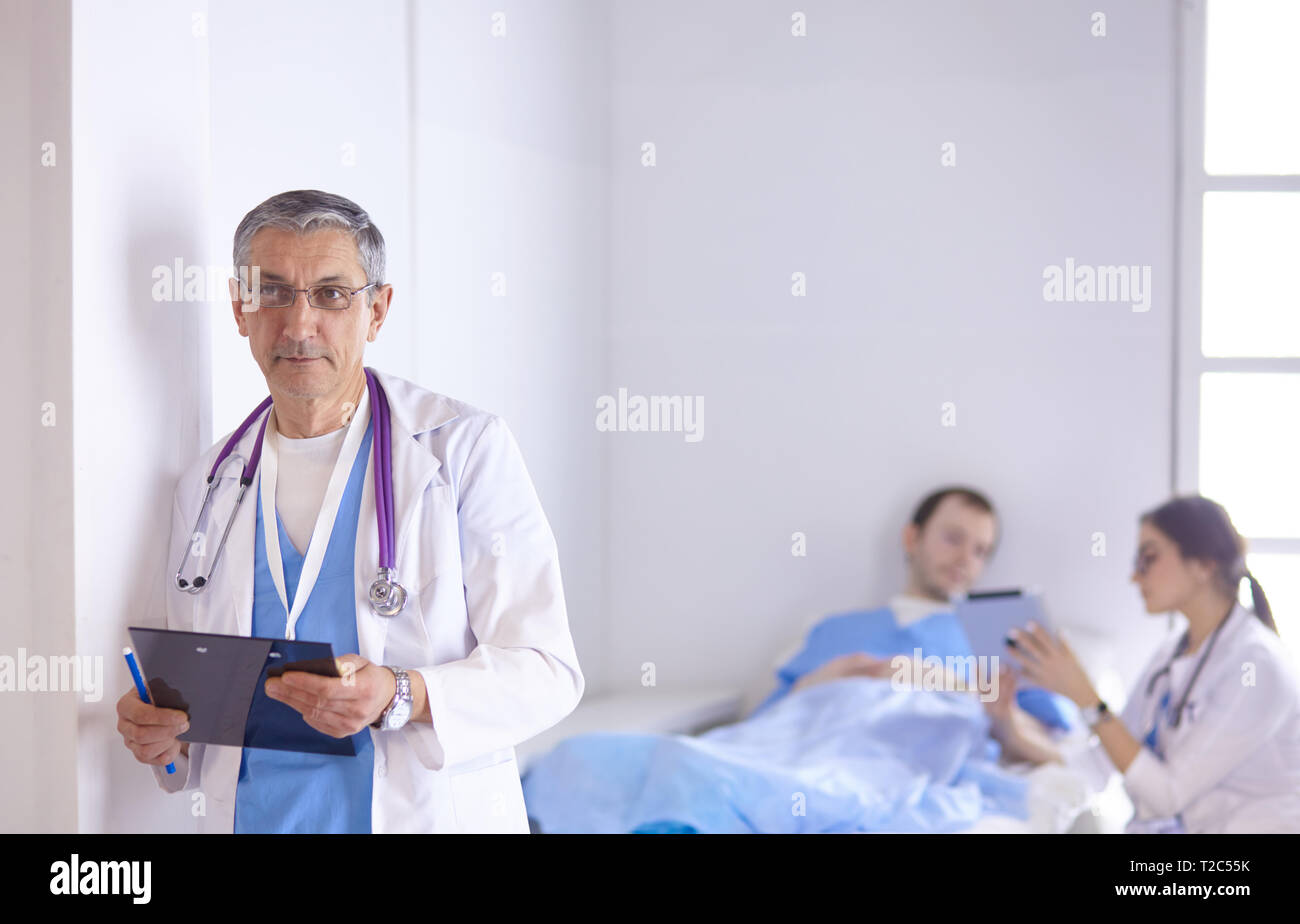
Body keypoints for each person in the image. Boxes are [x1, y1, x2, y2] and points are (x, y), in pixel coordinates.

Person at [115, 189, 583, 833]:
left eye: (331, 294)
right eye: (273, 291)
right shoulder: (207, 484)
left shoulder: (462, 451)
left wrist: (400, 695)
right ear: (239, 307)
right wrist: (165, 738)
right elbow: (203, 720)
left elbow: (548, 671)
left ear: (377, 310)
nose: (299, 324)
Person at [1005, 495, 1300, 833]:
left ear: (1203, 564)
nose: (1134, 576)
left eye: (1148, 558)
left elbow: (1167, 795)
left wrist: (1087, 698)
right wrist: (1008, 725)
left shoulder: (1257, 666)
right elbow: (1099, 763)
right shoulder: (1172, 654)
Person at [756, 486, 1064, 765]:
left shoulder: (998, 642)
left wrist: (960, 691)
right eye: (953, 539)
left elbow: (1053, 745)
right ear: (912, 538)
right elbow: (761, 727)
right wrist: (821, 681)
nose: (964, 559)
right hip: (801, 759)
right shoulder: (834, 630)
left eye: (980, 551)